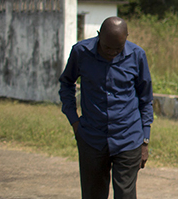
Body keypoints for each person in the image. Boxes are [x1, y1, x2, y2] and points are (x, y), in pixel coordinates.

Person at [58, 16, 153, 199]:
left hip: (128, 138)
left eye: (117, 48)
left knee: (125, 195)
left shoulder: (137, 55)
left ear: (126, 37)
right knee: (93, 194)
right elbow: (66, 84)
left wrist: (145, 140)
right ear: (99, 36)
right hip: (92, 139)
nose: (111, 53)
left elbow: (145, 98)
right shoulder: (81, 52)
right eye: (107, 47)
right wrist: (75, 122)